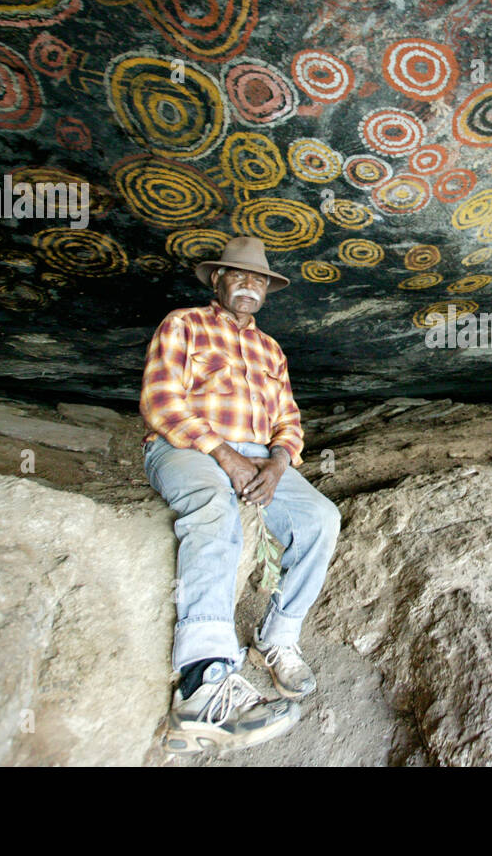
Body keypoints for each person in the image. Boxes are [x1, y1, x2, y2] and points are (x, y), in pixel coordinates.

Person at [139, 236, 341, 755]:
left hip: (260, 454)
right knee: (214, 507)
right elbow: (161, 403)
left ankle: (278, 639)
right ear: (218, 281)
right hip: (186, 444)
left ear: (267, 291)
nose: (250, 285)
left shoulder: (271, 349)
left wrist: (278, 462)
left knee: (321, 518)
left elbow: (289, 421)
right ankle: (203, 684)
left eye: (260, 280)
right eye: (239, 276)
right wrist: (224, 455)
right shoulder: (183, 324)